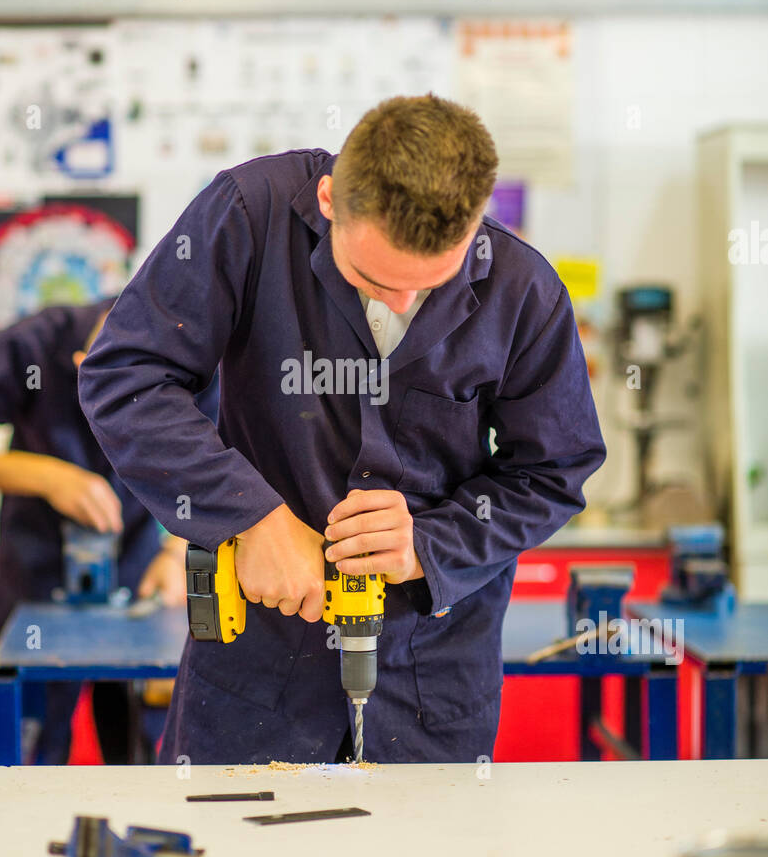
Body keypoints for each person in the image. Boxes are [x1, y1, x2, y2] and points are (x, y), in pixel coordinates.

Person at [78, 95, 606, 764]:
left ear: (476, 224)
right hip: (255, 670)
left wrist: (433, 543)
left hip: (429, 678)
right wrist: (251, 517)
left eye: (430, 285)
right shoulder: (248, 214)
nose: (401, 306)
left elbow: (552, 471)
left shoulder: (522, 289)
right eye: (373, 279)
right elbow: (126, 378)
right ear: (327, 200)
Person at [0, 298, 218, 764]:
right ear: (83, 367)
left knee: (141, 745)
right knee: (35, 740)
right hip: (41, 571)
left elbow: (216, 464)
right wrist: (49, 476)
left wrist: (175, 549)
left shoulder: (191, 353)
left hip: (140, 573)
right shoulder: (29, 346)